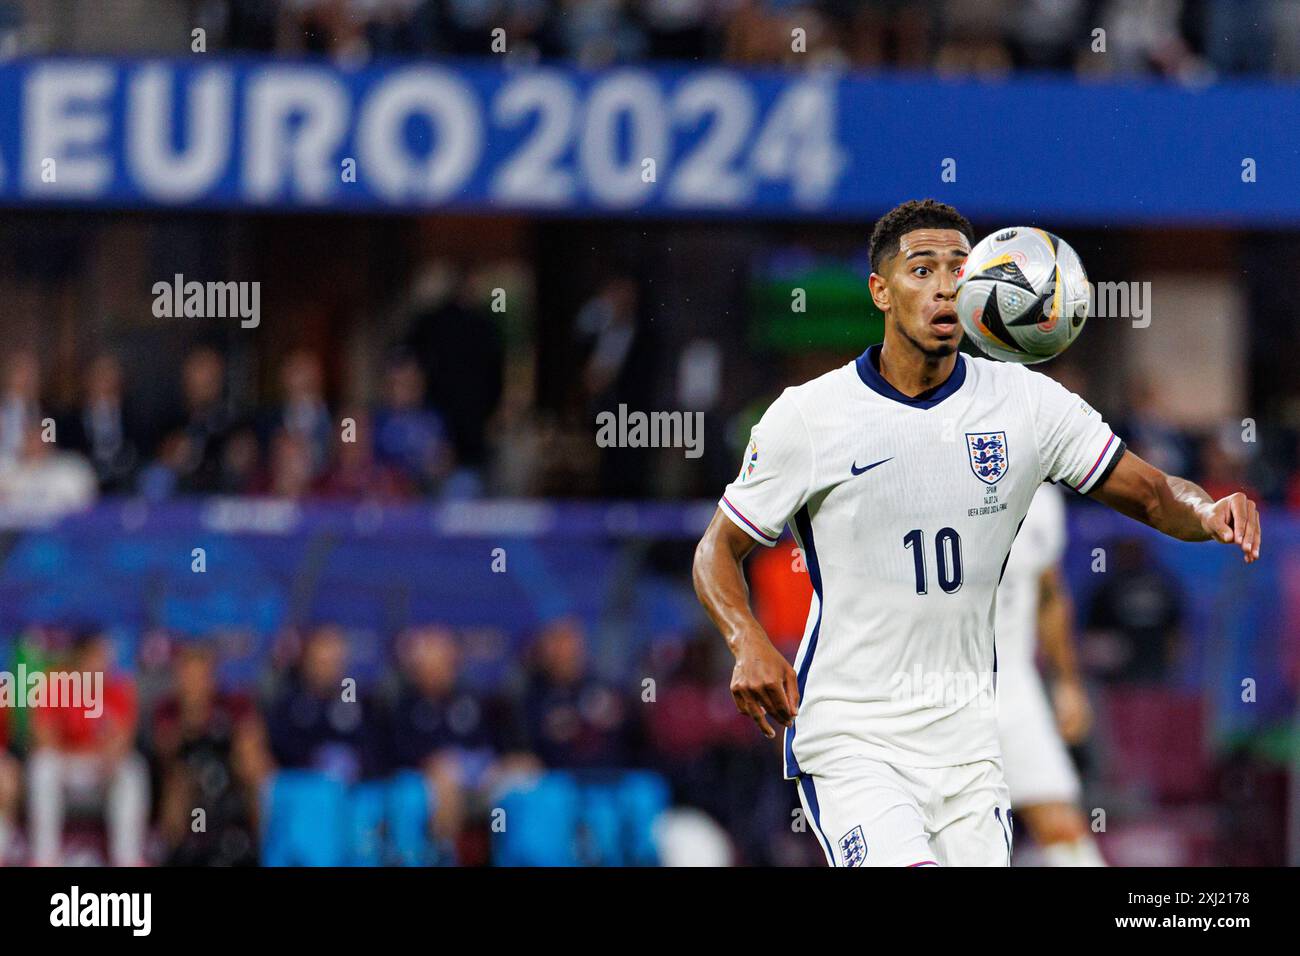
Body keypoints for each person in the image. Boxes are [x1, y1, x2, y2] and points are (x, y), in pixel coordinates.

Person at [692, 198, 1261, 867]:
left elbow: (1154, 493)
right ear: (881, 290)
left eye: (960, 268)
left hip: (970, 745)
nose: (943, 285)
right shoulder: (810, 418)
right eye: (921, 269)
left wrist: (1208, 512)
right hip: (855, 739)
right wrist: (748, 641)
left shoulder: (1028, 404)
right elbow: (717, 550)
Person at [994, 482, 1104, 865]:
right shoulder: (930, 482)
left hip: (1012, 684)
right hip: (938, 685)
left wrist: (1067, 683)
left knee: (1059, 822)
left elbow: (1049, 594)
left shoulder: (1042, 500)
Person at [27, 630, 148, 866]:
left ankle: (128, 858)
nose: (105, 664)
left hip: (100, 771)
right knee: (42, 765)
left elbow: (124, 740)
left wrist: (109, 754)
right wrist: (81, 753)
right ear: (81, 658)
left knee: (132, 768)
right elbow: (43, 738)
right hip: (67, 769)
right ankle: (44, 858)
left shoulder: (117, 688)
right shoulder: (56, 684)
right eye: (98, 657)